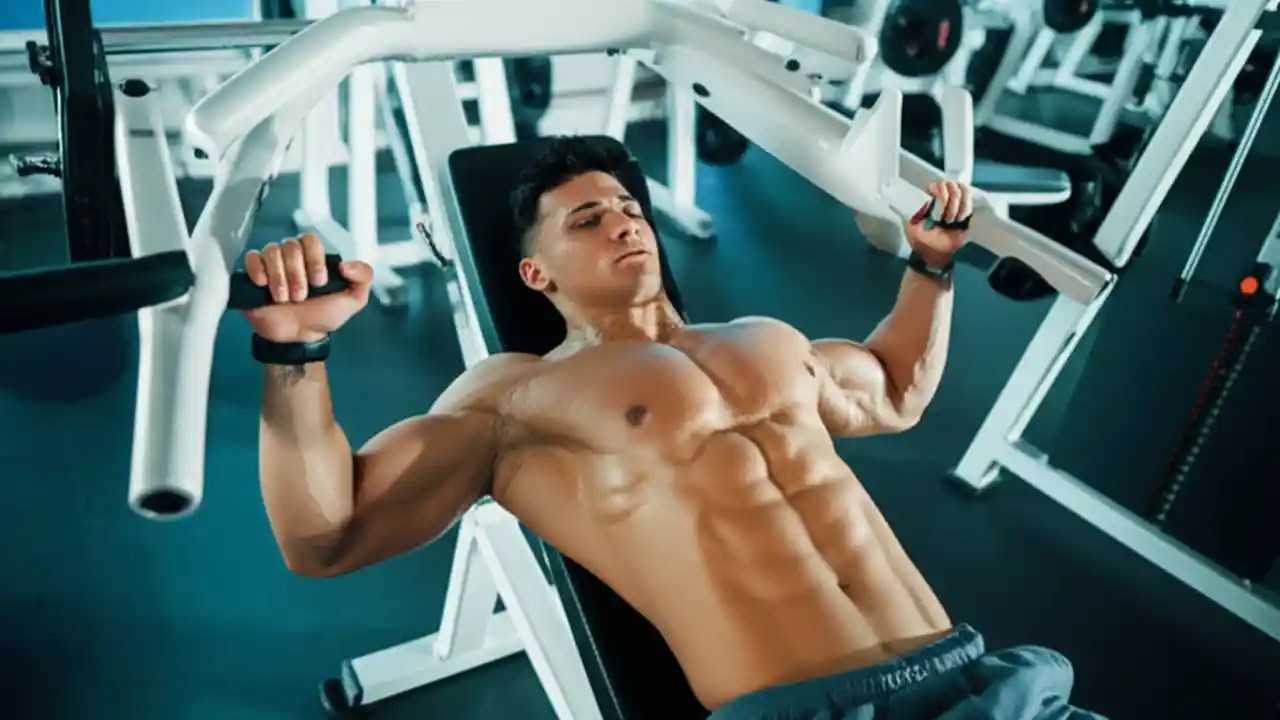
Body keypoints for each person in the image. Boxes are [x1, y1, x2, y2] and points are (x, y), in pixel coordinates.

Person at [241, 137, 1103, 719]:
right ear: (534, 272)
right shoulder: (517, 397)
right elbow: (328, 536)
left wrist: (929, 266)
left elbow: (889, 392)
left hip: (980, 682)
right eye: (587, 219)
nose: (622, 219)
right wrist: (296, 351)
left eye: (625, 206)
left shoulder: (767, 341)